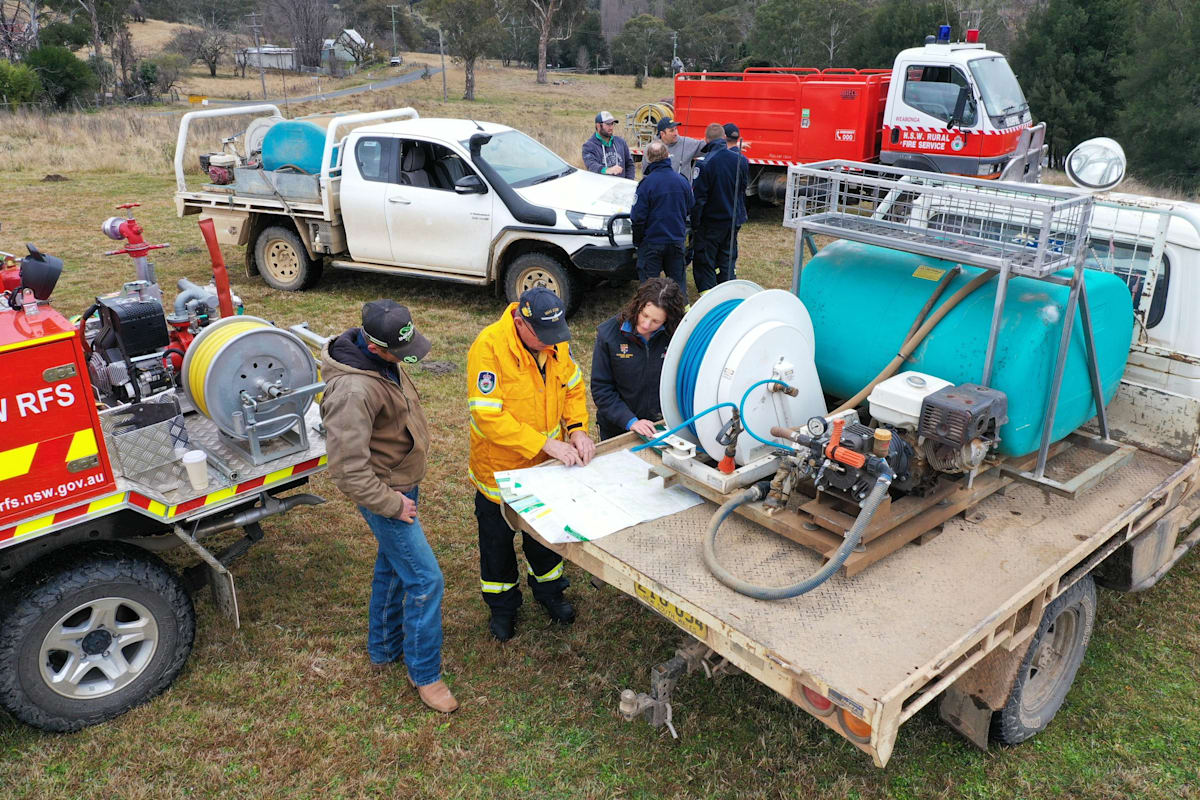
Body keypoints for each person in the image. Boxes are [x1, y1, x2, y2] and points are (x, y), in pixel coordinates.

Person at [321, 300, 458, 714]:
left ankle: (382, 648)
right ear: (376, 347)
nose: (406, 358)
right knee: (425, 580)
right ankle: (426, 674)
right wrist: (391, 504)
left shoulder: (378, 359)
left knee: (394, 567)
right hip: (388, 494)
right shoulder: (352, 390)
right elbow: (346, 470)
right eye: (400, 352)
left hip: (401, 485)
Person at [467, 287, 596, 642]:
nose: (550, 344)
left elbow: (572, 387)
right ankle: (503, 608)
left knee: (545, 539)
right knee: (497, 546)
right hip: (500, 473)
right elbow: (488, 417)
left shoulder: (555, 340)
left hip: (546, 470)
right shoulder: (489, 347)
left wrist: (577, 429)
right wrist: (544, 444)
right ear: (521, 324)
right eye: (543, 336)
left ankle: (551, 594)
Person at [591, 277, 688, 441]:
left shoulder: (676, 337)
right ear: (637, 306)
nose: (645, 324)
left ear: (668, 320)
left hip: (663, 425)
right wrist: (630, 421)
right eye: (644, 315)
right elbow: (602, 389)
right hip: (619, 429)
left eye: (656, 321)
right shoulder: (608, 335)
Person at [631, 141, 693, 296]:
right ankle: (681, 315)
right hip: (676, 241)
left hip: (652, 243)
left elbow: (637, 218)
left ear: (649, 159)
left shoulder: (646, 184)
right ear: (667, 156)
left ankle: (650, 313)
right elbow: (691, 207)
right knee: (677, 286)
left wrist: (638, 241)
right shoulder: (682, 181)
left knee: (650, 288)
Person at [691, 123, 748, 292]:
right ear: (724, 138)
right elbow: (742, 189)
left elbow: (699, 198)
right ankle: (727, 292)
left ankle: (709, 296)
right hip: (733, 220)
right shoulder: (741, 160)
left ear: (706, 140)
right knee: (727, 259)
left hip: (712, 222)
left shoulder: (705, 163)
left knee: (705, 260)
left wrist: (695, 224)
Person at [723, 123, 751, 272]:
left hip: (723, 213)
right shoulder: (743, 160)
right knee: (731, 247)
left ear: (723, 137)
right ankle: (730, 271)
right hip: (737, 212)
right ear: (738, 138)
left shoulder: (718, 158)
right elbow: (743, 186)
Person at [582, 111, 634, 179]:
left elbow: (629, 164)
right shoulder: (589, 146)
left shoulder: (621, 142)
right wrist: (607, 170)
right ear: (598, 126)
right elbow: (591, 165)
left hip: (622, 187)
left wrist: (628, 182)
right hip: (603, 187)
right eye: (608, 124)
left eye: (612, 124)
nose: (611, 127)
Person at [655, 117, 705, 184]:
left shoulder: (686, 143)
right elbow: (646, 174)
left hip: (682, 192)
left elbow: (705, 146)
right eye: (671, 130)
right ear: (662, 134)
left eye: (676, 129)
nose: (675, 133)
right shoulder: (652, 149)